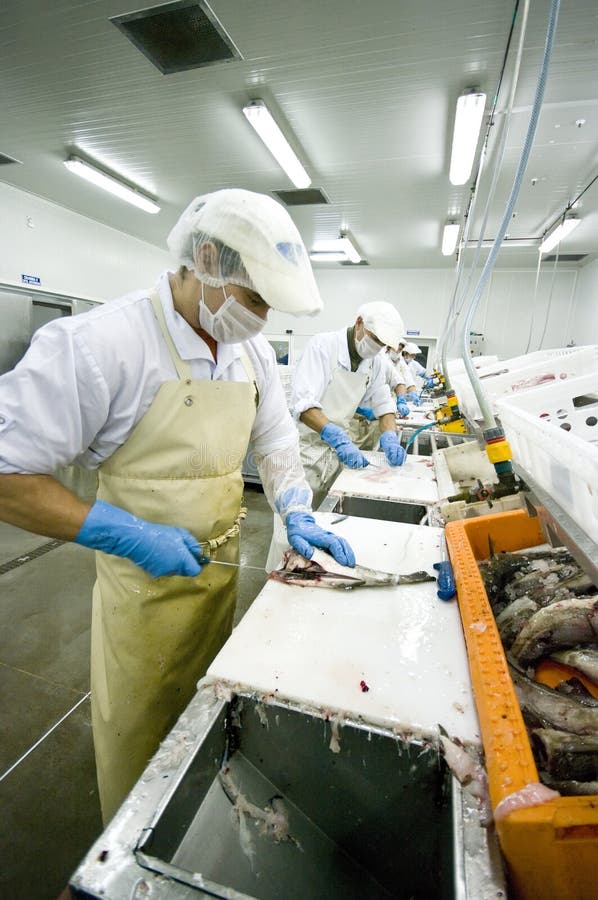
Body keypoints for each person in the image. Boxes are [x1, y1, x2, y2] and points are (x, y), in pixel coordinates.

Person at [0, 188, 355, 824]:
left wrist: (296, 506)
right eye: (253, 299)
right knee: (139, 750)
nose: (261, 319)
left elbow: (276, 440)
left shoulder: (250, 354)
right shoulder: (102, 344)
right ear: (207, 260)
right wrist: (122, 532)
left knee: (202, 736)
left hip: (215, 591)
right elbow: (6, 471)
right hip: (139, 600)